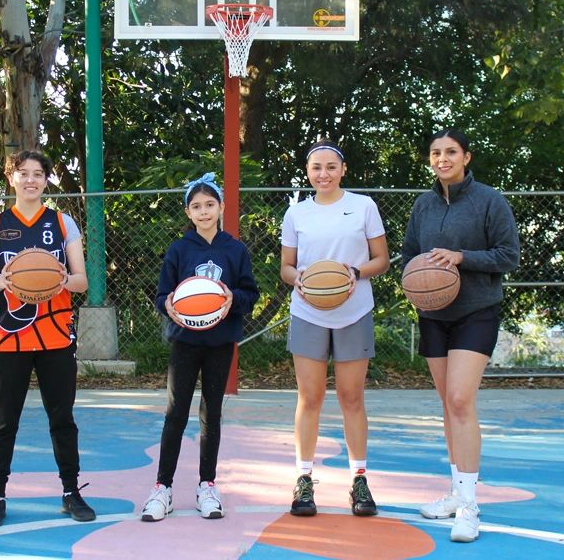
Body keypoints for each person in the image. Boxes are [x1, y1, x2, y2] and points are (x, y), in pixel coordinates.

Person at [402, 129, 520, 543]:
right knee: (446, 404)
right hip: (434, 314)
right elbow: (409, 255)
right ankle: (455, 492)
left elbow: (509, 256)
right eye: (435, 152)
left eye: (450, 152)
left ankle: (470, 505)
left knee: (459, 399)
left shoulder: (490, 200)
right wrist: (418, 279)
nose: (442, 158)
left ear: (466, 157)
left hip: (476, 311)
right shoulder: (423, 204)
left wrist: (460, 258)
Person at [0, 149, 95, 528]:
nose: (30, 180)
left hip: (55, 333)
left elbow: (81, 281)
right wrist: (5, 281)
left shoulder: (61, 223)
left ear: (46, 180)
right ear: (11, 178)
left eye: (38, 174)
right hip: (9, 336)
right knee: (4, 420)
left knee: (62, 417)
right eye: (23, 173)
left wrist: (57, 279)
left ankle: (71, 491)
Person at [140, 173, 259, 522]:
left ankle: (207, 485)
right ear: (188, 212)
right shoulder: (179, 250)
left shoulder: (235, 249)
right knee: (175, 413)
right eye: (197, 206)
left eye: (210, 204)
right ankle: (162, 488)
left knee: (212, 413)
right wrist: (170, 307)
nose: (204, 211)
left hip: (220, 342)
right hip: (185, 342)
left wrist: (229, 299)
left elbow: (250, 294)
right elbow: (163, 295)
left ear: (221, 207)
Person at [279, 140, 389, 518]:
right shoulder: (297, 213)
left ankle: (359, 478)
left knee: (351, 397)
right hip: (309, 311)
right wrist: (302, 279)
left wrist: (354, 273)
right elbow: (286, 268)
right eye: (315, 168)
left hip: (354, 310)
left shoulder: (363, 206)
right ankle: (304, 479)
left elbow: (382, 260)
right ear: (307, 172)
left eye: (330, 167)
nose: (323, 174)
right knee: (309, 398)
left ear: (343, 170)